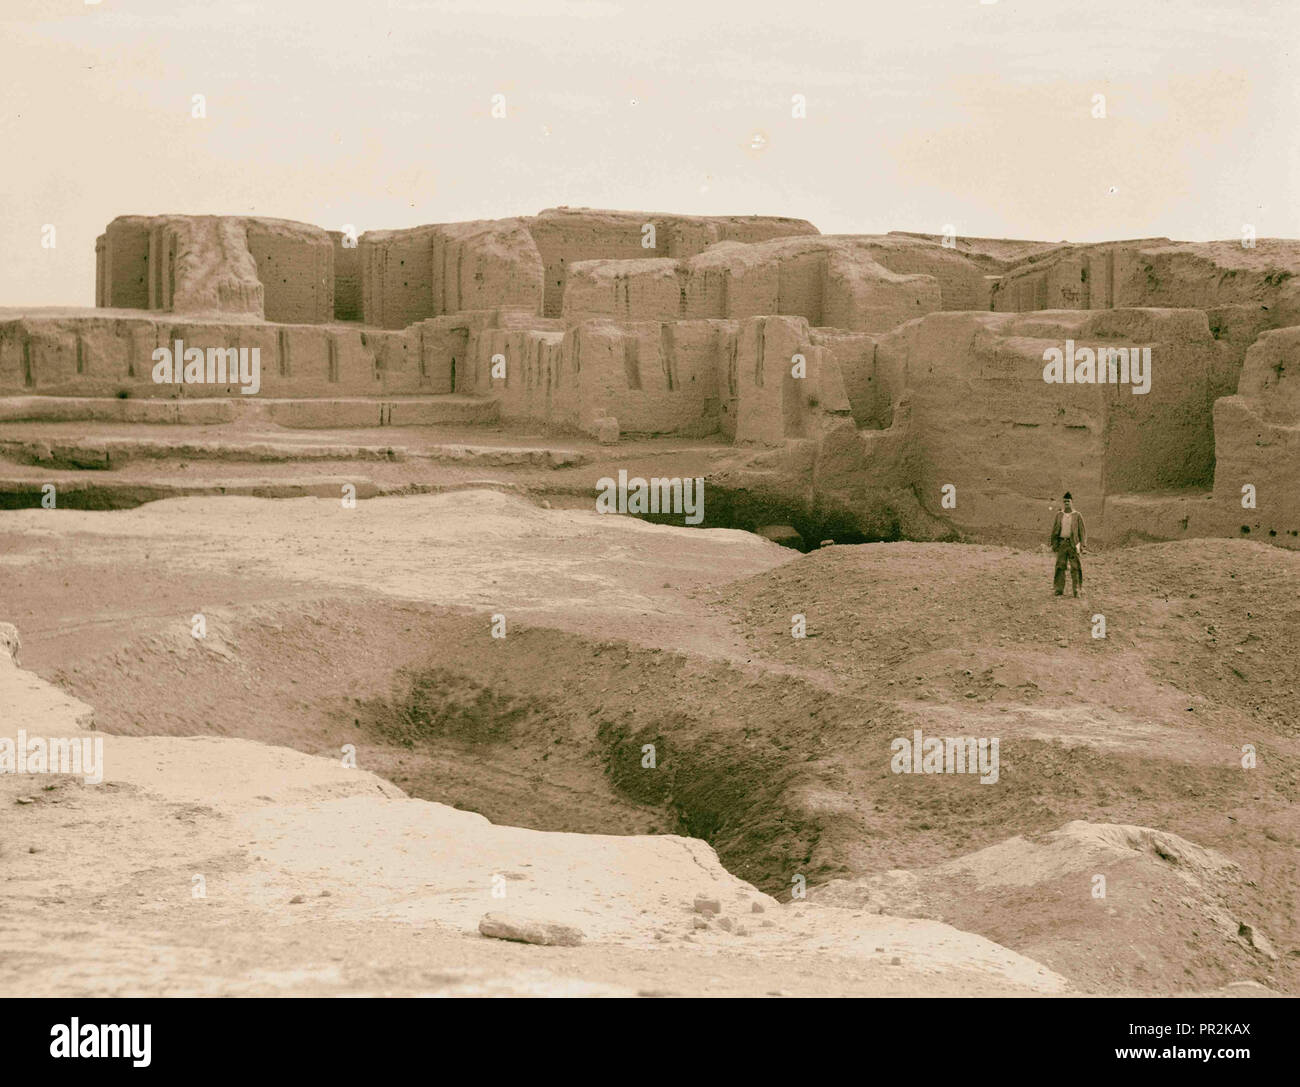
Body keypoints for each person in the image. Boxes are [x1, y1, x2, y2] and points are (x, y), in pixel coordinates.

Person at [1050, 492, 1086, 597]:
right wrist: (1054, 543)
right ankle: (1058, 589)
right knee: (1060, 566)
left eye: (1068, 501)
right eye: (1064, 501)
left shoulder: (1077, 515)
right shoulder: (1059, 515)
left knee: (1075, 567)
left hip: (1073, 544)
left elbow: (1082, 532)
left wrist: (1082, 545)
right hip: (1062, 543)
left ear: (1072, 502)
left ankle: (1077, 590)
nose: (1066, 503)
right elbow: (1054, 529)